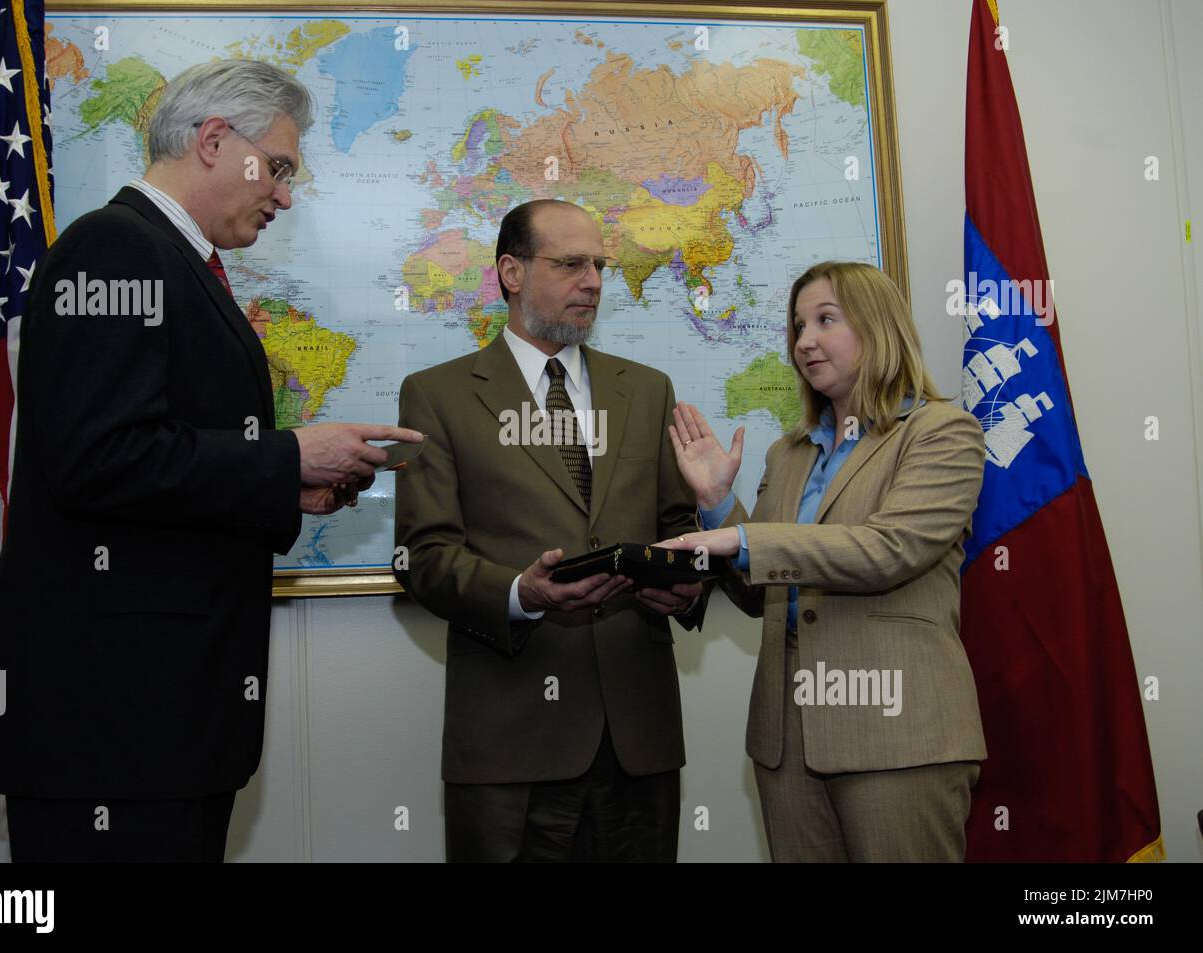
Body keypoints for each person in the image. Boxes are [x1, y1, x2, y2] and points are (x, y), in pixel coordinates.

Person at [0, 59, 421, 862]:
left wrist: (292, 487)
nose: (285, 194)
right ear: (214, 140)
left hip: (159, 723)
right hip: (113, 728)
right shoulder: (112, 248)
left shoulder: (170, 258)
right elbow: (99, 460)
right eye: (278, 167)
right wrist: (286, 455)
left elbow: (157, 457)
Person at [395, 198, 706, 862]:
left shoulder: (646, 390)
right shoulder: (439, 395)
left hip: (637, 745)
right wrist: (520, 592)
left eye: (599, 264)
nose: (592, 280)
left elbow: (678, 527)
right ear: (510, 271)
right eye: (570, 264)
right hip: (511, 748)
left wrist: (688, 588)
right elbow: (422, 556)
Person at [659, 260, 986, 862]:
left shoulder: (942, 432)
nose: (804, 339)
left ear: (878, 326)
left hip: (900, 733)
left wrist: (742, 539)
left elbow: (889, 550)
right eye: (797, 325)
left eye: (825, 320)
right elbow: (762, 590)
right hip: (786, 743)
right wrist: (716, 504)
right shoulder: (788, 453)